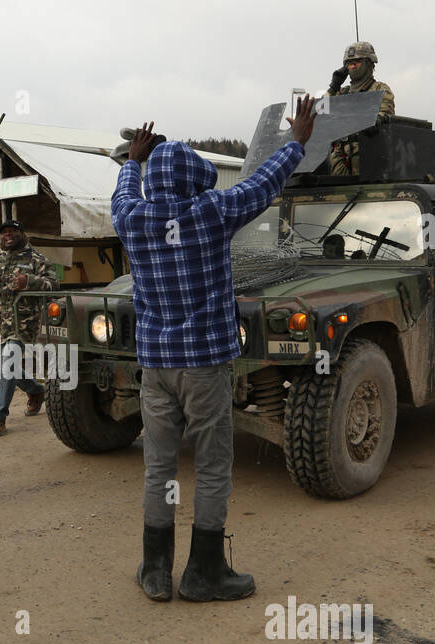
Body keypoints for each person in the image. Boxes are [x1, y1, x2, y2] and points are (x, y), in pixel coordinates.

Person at [112, 97, 317, 603]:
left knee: (159, 466)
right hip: (205, 364)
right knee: (210, 465)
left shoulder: (133, 218)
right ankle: (204, 573)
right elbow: (261, 184)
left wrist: (134, 161)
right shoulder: (211, 211)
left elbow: (121, 194)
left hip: (156, 366)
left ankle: (156, 571)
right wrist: (297, 143)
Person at [0, 219, 55, 437]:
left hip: (25, 323)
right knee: (8, 366)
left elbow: (54, 284)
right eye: (4, 232)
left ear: (22, 234)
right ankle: (36, 390)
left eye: (13, 231)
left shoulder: (37, 259)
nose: (8, 235)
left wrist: (29, 282)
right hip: (0, 325)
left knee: (9, 360)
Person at [327, 41, 394, 176]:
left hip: (368, 154)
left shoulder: (380, 89)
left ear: (369, 63)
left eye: (357, 61)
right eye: (348, 62)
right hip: (341, 158)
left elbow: (384, 114)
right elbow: (320, 112)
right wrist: (333, 87)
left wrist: (371, 120)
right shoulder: (342, 93)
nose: (352, 65)